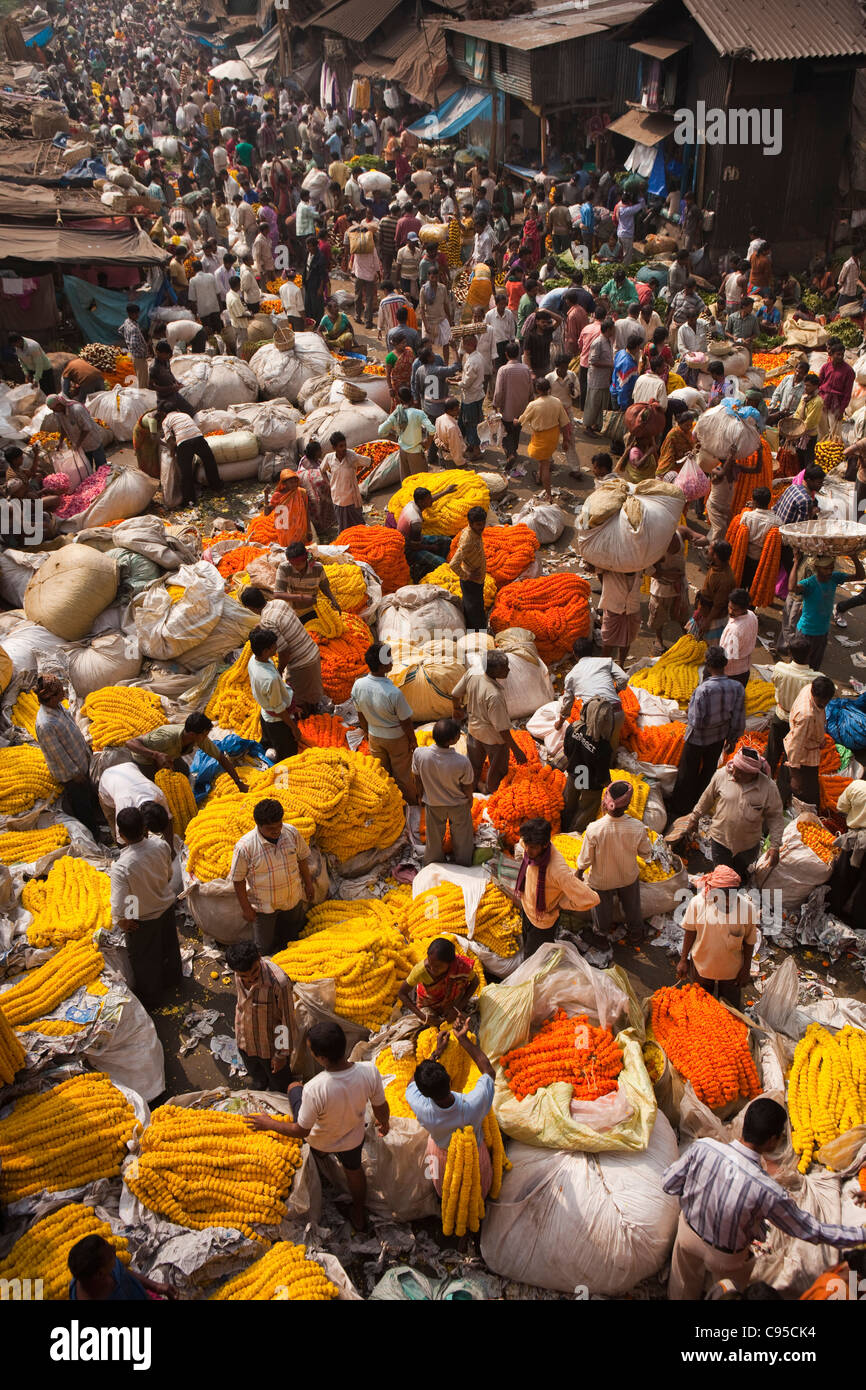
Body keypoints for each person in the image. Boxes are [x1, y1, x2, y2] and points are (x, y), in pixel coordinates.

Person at [663, 1096, 866, 1300]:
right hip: (726, 1257)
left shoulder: (703, 1148)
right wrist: (860, 1235)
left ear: (745, 1125)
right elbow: (810, 1230)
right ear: (772, 1139)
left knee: (681, 1288)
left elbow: (669, 1183)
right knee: (731, 1293)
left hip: (687, 1235)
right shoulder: (766, 1190)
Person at [245, 1020, 389, 1232]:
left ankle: (320, 1154)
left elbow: (301, 1131)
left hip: (321, 1139)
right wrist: (383, 1123)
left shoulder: (314, 1088)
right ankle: (359, 1213)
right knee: (354, 1170)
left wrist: (269, 1124)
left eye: (312, 1051)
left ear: (321, 1058)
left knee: (294, 1087)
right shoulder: (369, 1071)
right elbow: (381, 1107)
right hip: (352, 1139)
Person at [407, 1019, 496, 1198]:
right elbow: (488, 1071)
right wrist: (463, 1039)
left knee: (447, 1190)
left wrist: (436, 1052)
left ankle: (445, 1204)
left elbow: (411, 1084)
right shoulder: (474, 1103)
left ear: (423, 1092)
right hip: (473, 1154)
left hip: (440, 1154)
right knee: (476, 1191)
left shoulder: (420, 1104)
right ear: (450, 1080)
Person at [111, 805, 180, 1008]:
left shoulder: (122, 867)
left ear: (121, 835)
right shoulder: (161, 846)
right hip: (165, 907)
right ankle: (174, 982)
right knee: (169, 948)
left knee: (145, 960)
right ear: (144, 827)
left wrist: (125, 920)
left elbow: (120, 903)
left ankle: (153, 998)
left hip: (144, 919)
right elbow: (168, 875)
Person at [683, 745, 784, 881]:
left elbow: (775, 817)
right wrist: (694, 818)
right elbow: (706, 799)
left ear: (753, 774)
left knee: (738, 876)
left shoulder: (768, 787)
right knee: (722, 878)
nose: (735, 774)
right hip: (721, 840)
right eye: (735, 769)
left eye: (741, 773)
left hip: (747, 846)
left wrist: (775, 846)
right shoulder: (722, 775)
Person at [668, 647, 746, 820]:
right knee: (709, 770)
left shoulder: (703, 690)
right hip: (719, 737)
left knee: (687, 773)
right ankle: (701, 803)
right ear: (725, 664)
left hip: (697, 739)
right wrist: (733, 738)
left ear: (708, 666)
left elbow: (696, 721)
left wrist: (690, 709)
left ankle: (680, 809)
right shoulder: (737, 687)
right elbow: (739, 717)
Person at [230, 796, 315, 953]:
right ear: (259, 825)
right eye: (270, 828)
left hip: (292, 899)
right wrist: (246, 908)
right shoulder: (245, 847)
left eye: (279, 825)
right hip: (265, 908)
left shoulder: (291, 833)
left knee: (293, 939)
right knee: (264, 948)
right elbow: (238, 880)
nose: (276, 831)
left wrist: (308, 884)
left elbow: (302, 858)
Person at [576, 782, 651, 948]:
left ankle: (601, 936)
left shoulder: (594, 828)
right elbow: (646, 853)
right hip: (628, 876)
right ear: (628, 804)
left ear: (606, 801)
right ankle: (636, 932)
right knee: (632, 905)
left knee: (601, 908)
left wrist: (579, 871)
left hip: (602, 880)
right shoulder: (637, 827)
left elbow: (585, 859)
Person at [677, 864, 757, 1006]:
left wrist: (746, 970)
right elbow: (690, 931)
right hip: (702, 965)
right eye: (723, 897)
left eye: (731, 897)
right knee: (701, 1006)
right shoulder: (697, 903)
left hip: (731, 971)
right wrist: (683, 959)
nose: (728, 902)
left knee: (729, 1008)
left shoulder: (747, 909)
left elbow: (749, 941)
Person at [33, 674, 102, 837]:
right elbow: (58, 754)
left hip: (81, 760)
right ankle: (95, 835)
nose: (64, 694)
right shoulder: (46, 724)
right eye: (59, 693)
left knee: (90, 795)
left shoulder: (58, 707)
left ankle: (99, 820)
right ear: (50, 698)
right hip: (72, 774)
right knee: (82, 805)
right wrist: (75, 774)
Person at [225, 939, 297, 1092]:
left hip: (269, 1049)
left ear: (259, 957)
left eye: (254, 973)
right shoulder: (238, 973)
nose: (251, 980)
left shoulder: (279, 983)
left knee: (279, 1086)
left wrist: (281, 1055)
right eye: (244, 976)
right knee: (257, 1078)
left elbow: (287, 1021)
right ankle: (261, 1084)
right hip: (245, 1042)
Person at [451, 651, 528, 793]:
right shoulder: (494, 695)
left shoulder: (473, 673)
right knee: (496, 769)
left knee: (474, 764)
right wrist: (516, 751)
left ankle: (470, 789)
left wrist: (456, 709)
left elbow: (455, 694)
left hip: (473, 730)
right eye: (504, 667)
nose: (509, 669)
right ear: (492, 670)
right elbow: (502, 729)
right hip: (493, 739)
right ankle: (490, 790)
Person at [240, 585, 326, 711]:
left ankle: (311, 717)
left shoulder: (267, 622)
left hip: (302, 662)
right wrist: (262, 625)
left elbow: (284, 652)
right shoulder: (278, 603)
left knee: (300, 699)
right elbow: (281, 622)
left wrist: (279, 671)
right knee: (311, 689)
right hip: (311, 649)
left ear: (251, 608)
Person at [352, 643, 418, 803]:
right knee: (402, 775)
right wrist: (412, 739)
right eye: (389, 658)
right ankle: (410, 803)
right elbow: (405, 722)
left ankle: (388, 804)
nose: (392, 660)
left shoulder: (358, 685)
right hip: (396, 738)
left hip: (375, 735)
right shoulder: (393, 693)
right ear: (382, 666)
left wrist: (367, 732)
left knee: (382, 773)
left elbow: (360, 713)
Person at [127, 712, 247, 791]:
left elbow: (220, 758)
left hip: (171, 754)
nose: (206, 738)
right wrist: (156, 755)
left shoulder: (198, 738)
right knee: (161, 787)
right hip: (146, 759)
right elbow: (130, 743)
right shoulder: (165, 738)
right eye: (204, 735)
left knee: (184, 772)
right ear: (192, 734)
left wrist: (238, 782)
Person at [412, 717, 475, 867]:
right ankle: (463, 862)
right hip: (458, 805)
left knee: (433, 837)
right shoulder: (461, 761)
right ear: (453, 740)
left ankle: (433, 863)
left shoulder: (420, 754)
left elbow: (416, 777)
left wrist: (420, 794)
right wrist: (469, 799)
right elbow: (467, 785)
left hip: (433, 804)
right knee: (462, 837)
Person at [791, 552, 862, 669]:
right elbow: (792, 588)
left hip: (822, 632)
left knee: (814, 666)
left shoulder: (834, 577)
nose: (829, 571)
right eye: (825, 569)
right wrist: (796, 563)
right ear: (817, 568)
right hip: (806, 632)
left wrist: (854, 558)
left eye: (831, 568)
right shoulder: (809, 583)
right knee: (799, 666)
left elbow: (859, 576)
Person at [767, 637, 824, 781]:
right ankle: (781, 787)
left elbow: (774, 682)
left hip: (780, 716)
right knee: (791, 757)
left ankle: (764, 778)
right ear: (810, 653)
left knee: (772, 753)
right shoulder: (816, 678)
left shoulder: (780, 668)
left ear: (790, 653)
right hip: (800, 725)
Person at [555, 636, 627, 747]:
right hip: (617, 712)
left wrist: (559, 723)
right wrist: (616, 690)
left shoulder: (572, 675)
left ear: (574, 654)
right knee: (612, 745)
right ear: (592, 651)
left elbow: (567, 702)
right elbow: (624, 678)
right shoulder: (606, 661)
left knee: (595, 749)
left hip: (595, 716)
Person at [248, 625, 306, 762]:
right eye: (274, 646)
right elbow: (279, 709)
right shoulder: (270, 679)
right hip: (277, 722)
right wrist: (294, 729)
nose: (276, 648)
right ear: (265, 650)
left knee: (269, 742)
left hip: (266, 715)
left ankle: (270, 748)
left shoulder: (253, 660)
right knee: (289, 754)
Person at [561, 696, 616, 833]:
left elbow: (566, 750)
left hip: (575, 773)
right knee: (586, 809)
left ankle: (563, 827)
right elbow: (601, 772)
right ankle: (573, 833)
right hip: (591, 782)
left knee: (569, 804)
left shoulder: (574, 728)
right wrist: (608, 784)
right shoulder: (601, 744)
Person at [68, 1235, 174, 1302]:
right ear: (100, 1274)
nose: (114, 1248)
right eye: (111, 1255)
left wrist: (156, 1286)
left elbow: (124, 1272)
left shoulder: (107, 1267)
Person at [398, 937, 478, 1024]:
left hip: (453, 1001)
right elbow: (402, 993)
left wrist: (458, 1008)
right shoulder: (420, 971)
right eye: (430, 963)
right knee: (430, 1024)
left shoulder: (460, 966)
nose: (432, 969)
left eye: (437, 967)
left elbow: (475, 982)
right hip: (429, 1004)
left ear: (450, 964)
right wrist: (422, 1016)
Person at [784, 675, 835, 808]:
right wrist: (795, 775)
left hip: (806, 744)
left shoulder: (809, 689)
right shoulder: (807, 715)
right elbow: (796, 745)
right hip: (803, 755)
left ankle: (786, 797)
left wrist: (820, 738)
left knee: (792, 783)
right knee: (807, 789)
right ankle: (804, 808)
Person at [518, 376, 570, 501]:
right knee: (543, 460)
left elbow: (521, 420)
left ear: (537, 390)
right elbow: (564, 423)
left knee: (545, 463)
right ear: (549, 389)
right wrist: (566, 440)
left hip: (541, 438)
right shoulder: (557, 401)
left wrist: (514, 421)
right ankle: (539, 477)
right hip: (553, 436)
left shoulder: (534, 405)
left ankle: (548, 494)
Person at [160, 407, 221, 505]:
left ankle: (189, 499)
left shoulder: (166, 421)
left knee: (186, 472)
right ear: (177, 410)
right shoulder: (184, 414)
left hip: (184, 443)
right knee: (209, 461)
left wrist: (172, 454)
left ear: (164, 413)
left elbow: (171, 441)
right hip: (198, 438)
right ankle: (217, 487)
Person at [493, 341, 533, 463]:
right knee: (516, 430)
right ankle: (513, 450)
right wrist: (530, 401)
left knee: (506, 431)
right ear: (518, 353)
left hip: (507, 407)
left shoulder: (503, 370)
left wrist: (495, 404)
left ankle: (510, 453)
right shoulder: (526, 369)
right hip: (521, 407)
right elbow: (530, 388)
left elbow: (499, 391)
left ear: (506, 354)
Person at [450, 505, 488, 633]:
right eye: (478, 524)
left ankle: (479, 631)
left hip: (477, 580)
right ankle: (477, 637)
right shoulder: (468, 540)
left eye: (483, 523)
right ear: (471, 524)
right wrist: (468, 576)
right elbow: (453, 564)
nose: (482, 527)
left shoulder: (476, 533)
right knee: (474, 612)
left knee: (476, 607)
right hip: (471, 582)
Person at [44, 395, 107, 471]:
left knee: (101, 467)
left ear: (59, 404)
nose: (54, 411)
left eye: (54, 408)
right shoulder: (59, 414)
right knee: (87, 468)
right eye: (52, 409)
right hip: (81, 446)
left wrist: (78, 443)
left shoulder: (77, 410)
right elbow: (63, 428)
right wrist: (60, 442)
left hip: (92, 440)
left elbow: (87, 428)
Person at [690, 539, 736, 642]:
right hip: (704, 610)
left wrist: (707, 622)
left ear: (715, 555)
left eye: (710, 548)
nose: (707, 550)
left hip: (712, 618)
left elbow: (718, 606)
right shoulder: (715, 565)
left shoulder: (725, 580)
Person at [596, 565, 642, 666]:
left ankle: (621, 664)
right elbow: (598, 570)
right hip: (613, 607)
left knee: (627, 640)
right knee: (608, 641)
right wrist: (607, 589)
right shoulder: (611, 563)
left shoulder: (640, 561)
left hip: (632, 608)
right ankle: (604, 666)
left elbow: (654, 570)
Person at [321, 431, 365, 532]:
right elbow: (322, 470)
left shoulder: (352, 455)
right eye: (340, 446)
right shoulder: (329, 458)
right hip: (338, 499)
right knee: (344, 528)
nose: (344, 448)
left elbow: (368, 462)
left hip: (352, 498)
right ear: (334, 448)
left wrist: (356, 478)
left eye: (345, 445)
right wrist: (329, 483)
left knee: (359, 527)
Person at [737, 487, 777, 591]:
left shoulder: (747, 515)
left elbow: (740, 532)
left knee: (741, 583)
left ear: (754, 501)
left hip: (744, 555)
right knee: (754, 587)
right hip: (761, 559)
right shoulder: (776, 521)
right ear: (769, 501)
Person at [719, 588, 759, 688]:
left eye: (735, 610)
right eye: (730, 607)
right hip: (744, 669)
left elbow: (728, 658)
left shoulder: (735, 630)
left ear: (744, 608)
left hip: (731, 675)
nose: (731, 612)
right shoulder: (752, 615)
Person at [582, 316, 615, 434]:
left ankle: (596, 425)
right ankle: (588, 427)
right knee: (593, 403)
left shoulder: (608, 341)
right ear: (608, 329)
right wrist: (609, 365)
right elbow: (593, 361)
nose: (614, 331)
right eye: (613, 329)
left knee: (601, 403)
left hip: (604, 379)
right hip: (596, 379)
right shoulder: (598, 342)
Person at [263, 470, 312, 548]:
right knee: (288, 549)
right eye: (291, 482)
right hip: (284, 530)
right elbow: (266, 513)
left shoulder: (301, 492)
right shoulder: (278, 495)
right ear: (284, 484)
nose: (294, 484)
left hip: (300, 528)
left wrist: (309, 530)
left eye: (296, 482)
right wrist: (266, 496)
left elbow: (306, 511)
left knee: (300, 549)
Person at [818, 339, 855, 435]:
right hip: (822, 401)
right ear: (831, 354)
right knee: (822, 430)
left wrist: (842, 410)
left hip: (836, 404)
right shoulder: (825, 367)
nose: (841, 357)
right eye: (838, 354)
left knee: (835, 434)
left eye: (842, 354)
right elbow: (818, 384)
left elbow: (847, 393)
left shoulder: (849, 371)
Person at [458, 333, 486, 460]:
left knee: (471, 423)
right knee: (471, 422)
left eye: (464, 344)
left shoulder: (473, 360)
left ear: (470, 345)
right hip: (476, 395)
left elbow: (466, 383)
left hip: (471, 397)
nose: (462, 347)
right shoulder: (476, 356)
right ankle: (471, 445)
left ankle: (476, 451)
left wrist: (455, 382)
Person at [148, 339, 194, 414]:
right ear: (158, 352)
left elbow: (170, 373)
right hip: (164, 399)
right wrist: (170, 388)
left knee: (191, 411)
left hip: (174, 394)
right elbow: (151, 387)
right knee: (173, 416)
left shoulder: (166, 360)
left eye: (168, 354)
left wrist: (176, 382)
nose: (167, 356)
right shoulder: (154, 367)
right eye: (165, 354)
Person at [118, 303, 150, 389]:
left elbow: (120, 330)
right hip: (138, 357)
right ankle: (143, 396)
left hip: (132, 354)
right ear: (130, 314)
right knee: (142, 380)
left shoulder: (127, 322)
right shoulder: (134, 328)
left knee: (139, 376)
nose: (138, 315)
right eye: (136, 313)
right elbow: (134, 344)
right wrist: (144, 354)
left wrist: (127, 339)